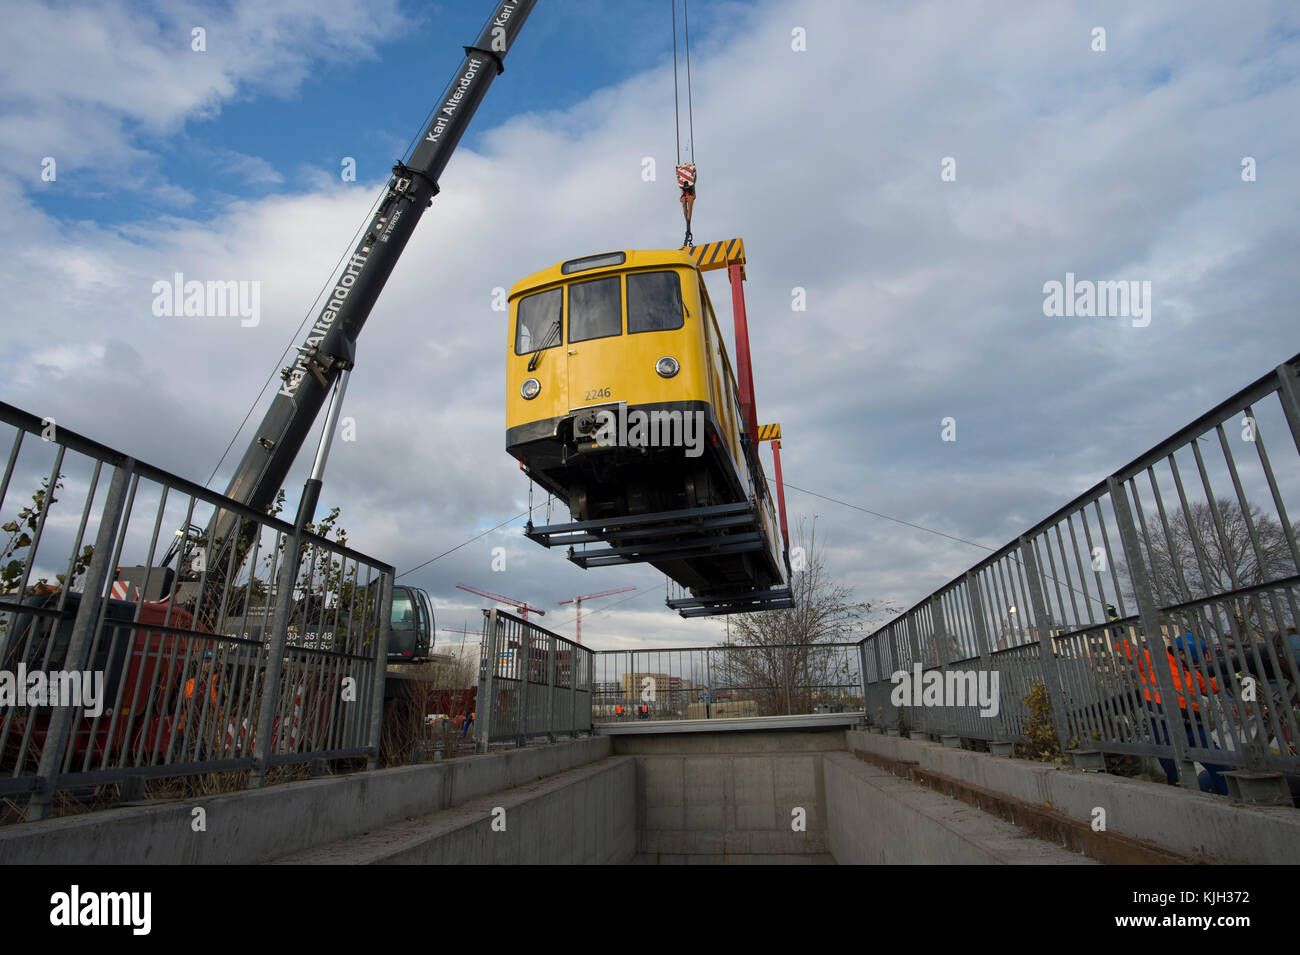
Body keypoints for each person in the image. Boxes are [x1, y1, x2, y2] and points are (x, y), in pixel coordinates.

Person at [1121, 633, 1231, 794]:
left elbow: (1209, 687)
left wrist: (1229, 678)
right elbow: (1129, 650)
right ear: (1180, 653)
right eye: (1192, 660)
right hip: (1164, 725)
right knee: (1174, 768)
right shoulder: (1153, 662)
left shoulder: (1192, 674)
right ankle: (1181, 796)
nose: (1194, 664)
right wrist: (1117, 628)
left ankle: (1230, 793)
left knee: (1216, 761)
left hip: (1194, 726)